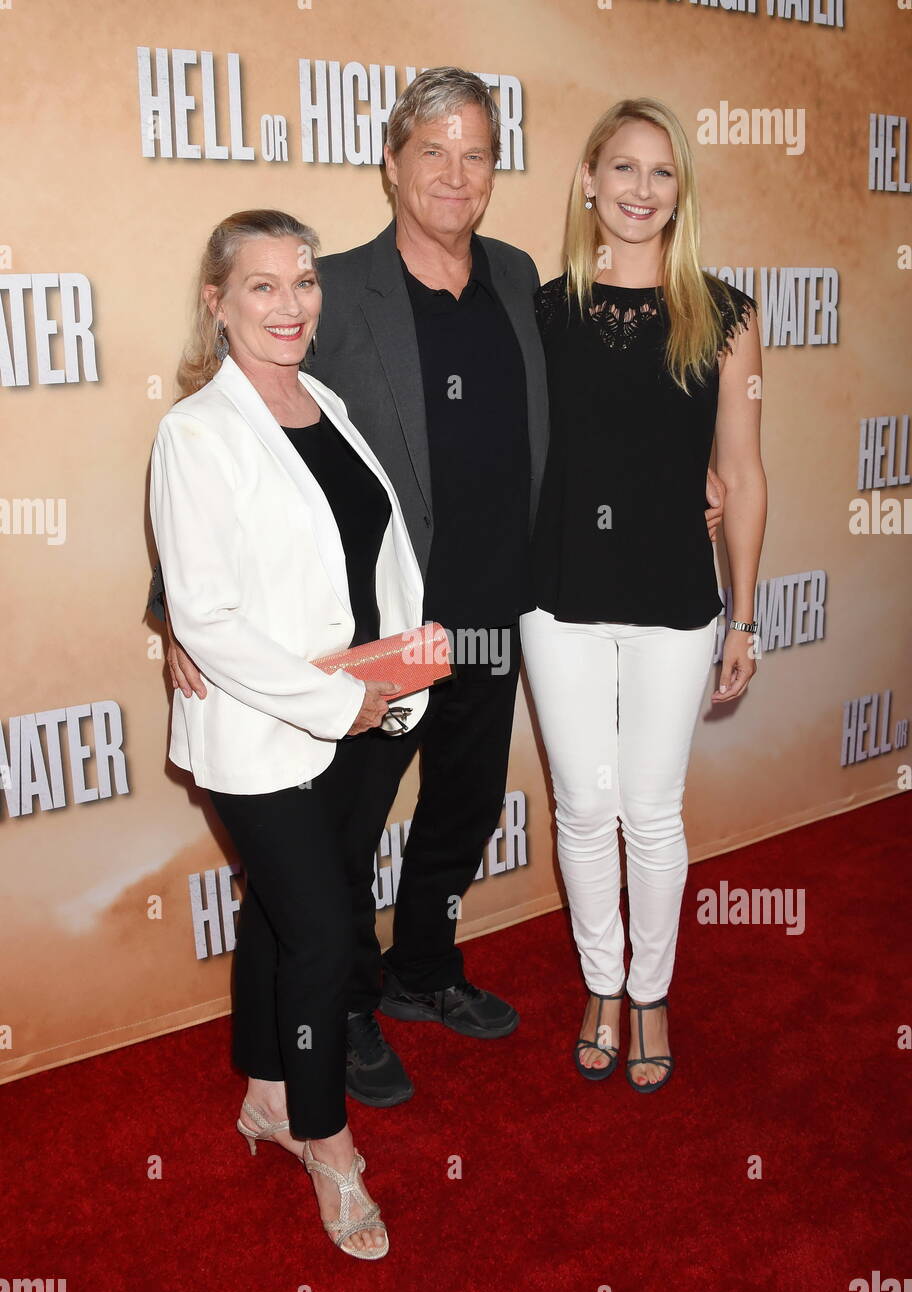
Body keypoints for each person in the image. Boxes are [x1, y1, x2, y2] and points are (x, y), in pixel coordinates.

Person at [151, 68, 727, 1109]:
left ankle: (424, 968)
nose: (456, 175)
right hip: (388, 633)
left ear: (495, 173)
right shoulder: (334, 288)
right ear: (391, 161)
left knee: (459, 813)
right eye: (434, 152)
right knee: (344, 834)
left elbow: (619, 411)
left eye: (477, 155)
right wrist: (172, 608)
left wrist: (697, 477)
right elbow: (239, 408)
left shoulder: (521, 281)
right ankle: (351, 1007)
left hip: (507, 609)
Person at [148, 209, 430, 1258]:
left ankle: (266, 1091)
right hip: (266, 733)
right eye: (260, 286)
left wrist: (398, 677)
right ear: (217, 304)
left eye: (303, 281)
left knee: (281, 912)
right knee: (320, 932)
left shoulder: (330, 402)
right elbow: (208, 618)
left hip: (364, 711)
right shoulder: (194, 433)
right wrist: (334, 702)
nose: (290, 303)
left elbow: (380, 553)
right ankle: (328, 1142)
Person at [520, 98, 767, 1092]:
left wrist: (744, 612)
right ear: (588, 180)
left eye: (661, 173)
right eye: (621, 168)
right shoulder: (541, 309)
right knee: (584, 804)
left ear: (682, 192)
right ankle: (602, 983)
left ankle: (652, 988)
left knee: (652, 812)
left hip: (674, 591)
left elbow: (742, 474)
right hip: (556, 591)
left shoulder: (727, 313)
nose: (639, 189)